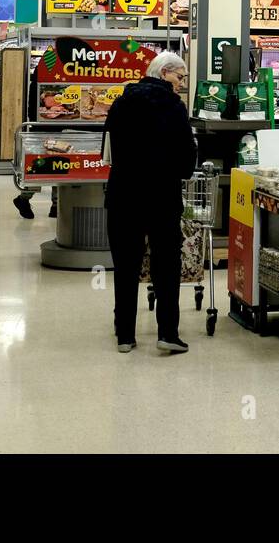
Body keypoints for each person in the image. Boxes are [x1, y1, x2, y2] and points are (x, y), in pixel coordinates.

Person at [102, 52, 195, 355]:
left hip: (123, 196)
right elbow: (186, 161)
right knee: (166, 265)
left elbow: (109, 151)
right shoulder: (174, 107)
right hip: (162, 198)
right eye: (180, 77)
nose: (182, 84)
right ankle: (167, 333)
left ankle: (125, 336)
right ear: (165, 73)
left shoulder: (121, 102)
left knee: (126, 265)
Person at [13, 64, 57, 220]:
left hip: (46, 128)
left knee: (57, 167)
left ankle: (55, 205)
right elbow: (34, 109)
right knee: (43, 167)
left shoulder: (37, 83)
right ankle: (24, 198)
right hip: (45, 129)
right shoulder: (40, 87)